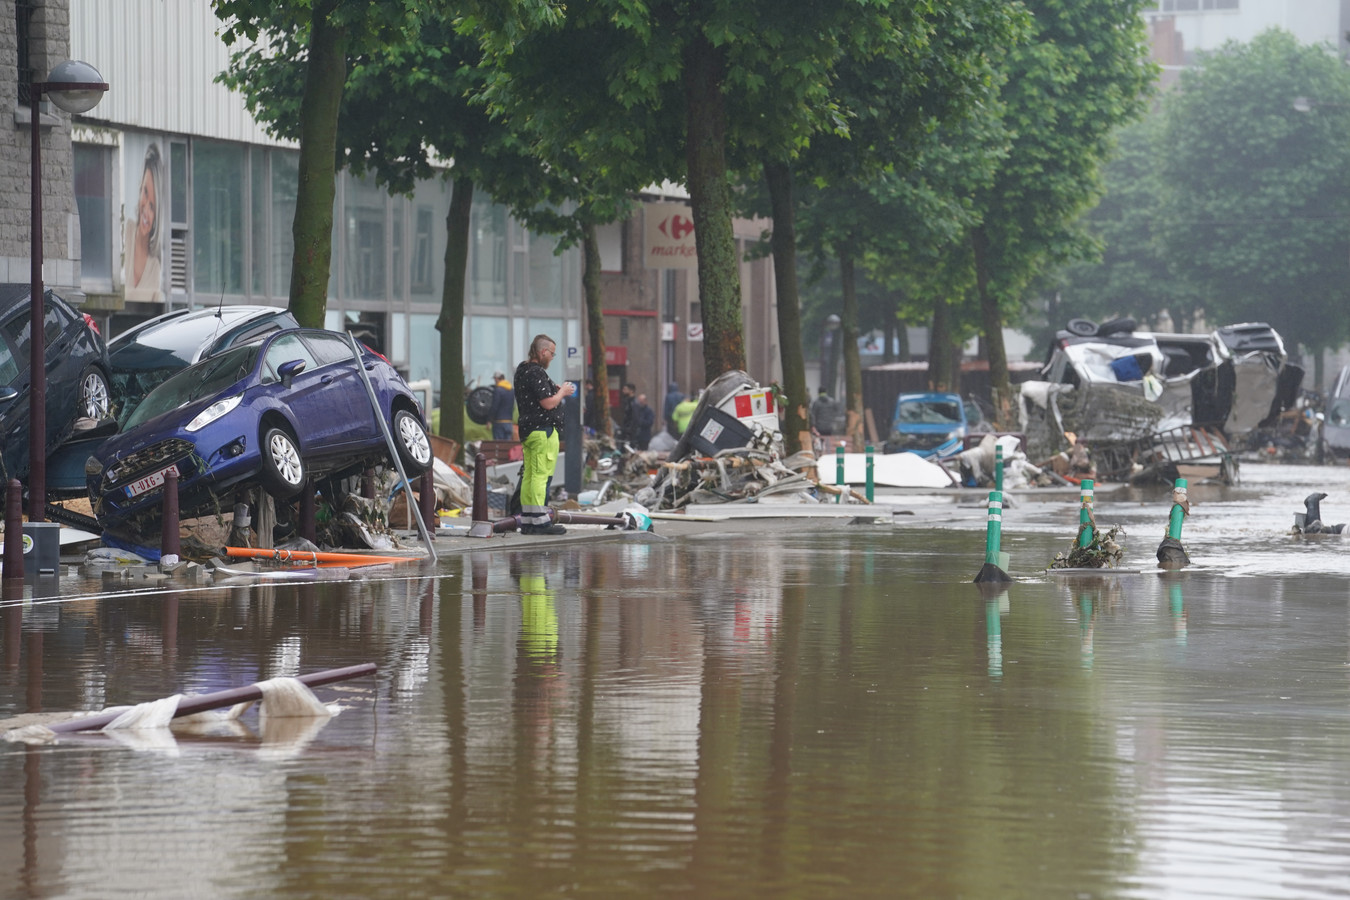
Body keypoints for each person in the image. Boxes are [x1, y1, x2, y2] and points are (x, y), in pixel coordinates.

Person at [510, 334, 575, 535]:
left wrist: (551, 388)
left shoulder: (522, 370)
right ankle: (540, 522)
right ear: (543, 352)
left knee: (530, 475)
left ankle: (528, 519)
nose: (552, 358)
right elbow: (547, 403)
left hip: (529, 430)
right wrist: (562, 392)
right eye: (552, 354)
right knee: (541, 475)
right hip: (542, 431)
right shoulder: (536, 372)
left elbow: (536, 394)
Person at [124, 143, 164, 303]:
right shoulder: (125, 232)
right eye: (145, 192)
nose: (146, 209)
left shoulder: (155, 268)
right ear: (140, 188)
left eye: (152, 206)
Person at [489, 371, 516, 440]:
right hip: (509, 423)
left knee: (499, 447)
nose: (495, 381)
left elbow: (494, 407)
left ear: (497, 378)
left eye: (495, 379)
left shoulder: (498, 390)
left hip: (499, 423)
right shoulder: (512, 390)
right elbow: (513, 407)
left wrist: (489, 420)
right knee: (507, 448)